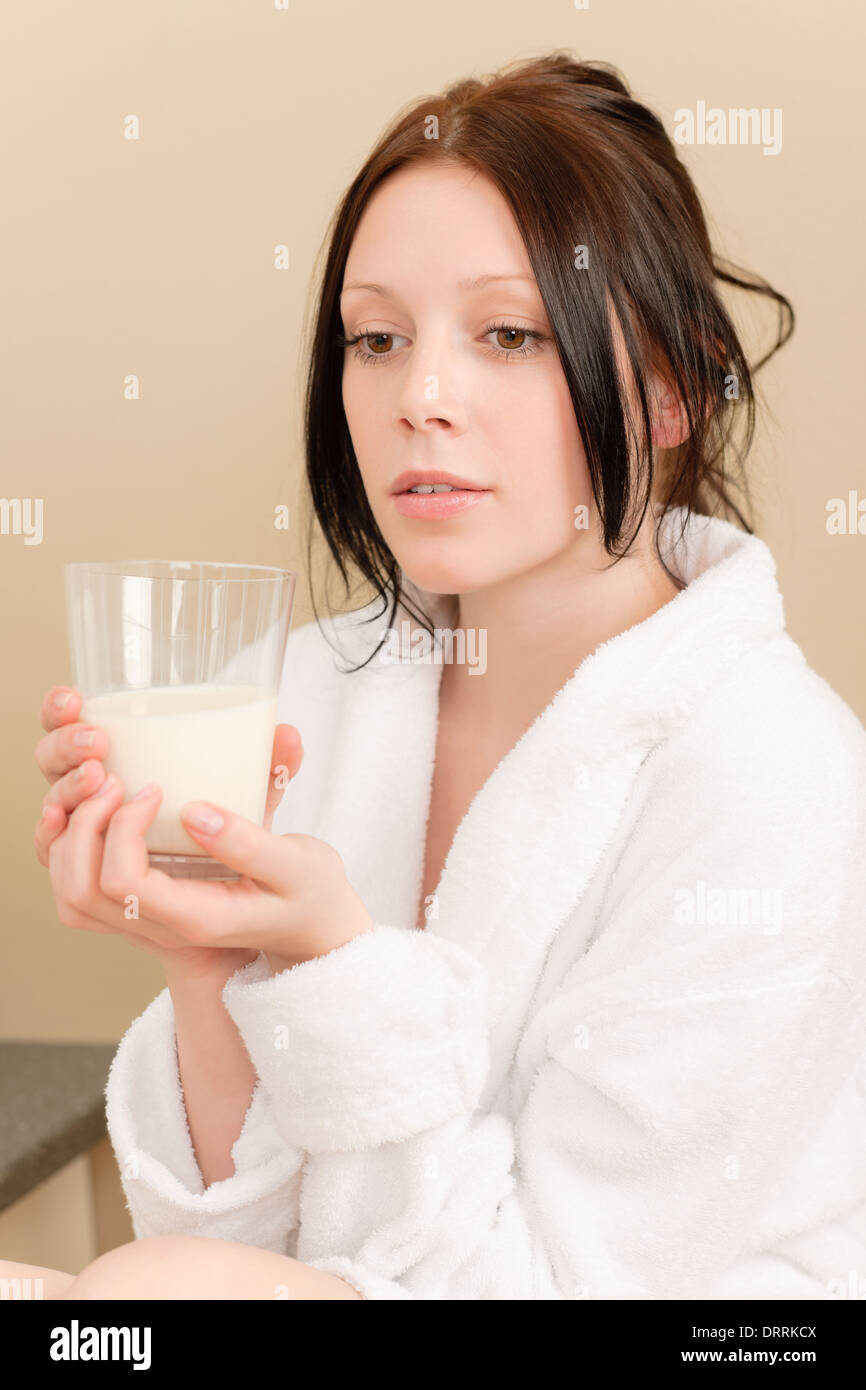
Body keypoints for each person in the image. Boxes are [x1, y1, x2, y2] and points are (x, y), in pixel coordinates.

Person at [15, 51, 866, 1300]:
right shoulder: (307, 694)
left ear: (675, 389)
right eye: (375, 337)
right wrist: (208, 966)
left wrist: (330, 966)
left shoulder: (769, 778)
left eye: (508, 333)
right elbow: (238, 1242)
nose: (419, 397)